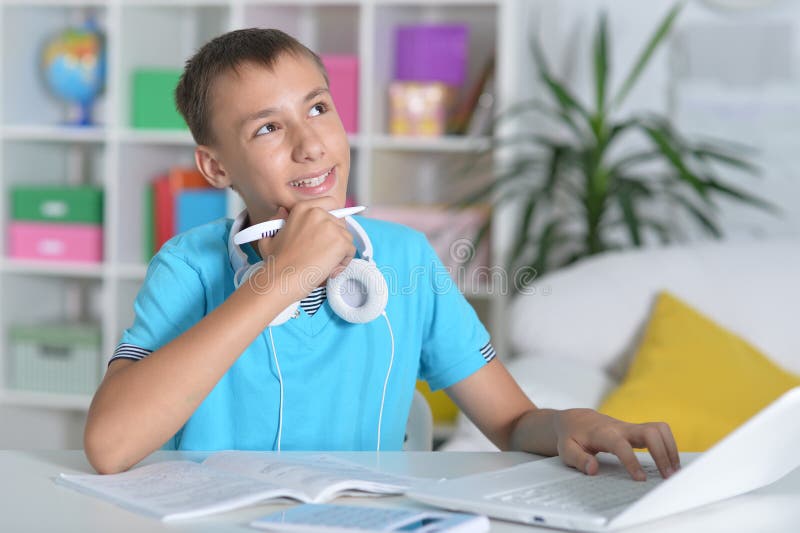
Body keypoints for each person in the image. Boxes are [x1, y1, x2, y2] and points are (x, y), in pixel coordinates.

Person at [83, 28, 680, 480]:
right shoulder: (186, 268)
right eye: (267, 128)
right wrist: (282, 279)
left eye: (318, 109)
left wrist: (566, 424)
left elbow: (511, 422)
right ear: (216, 166)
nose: (311, 145)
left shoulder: (406, 259)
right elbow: (110, 447)